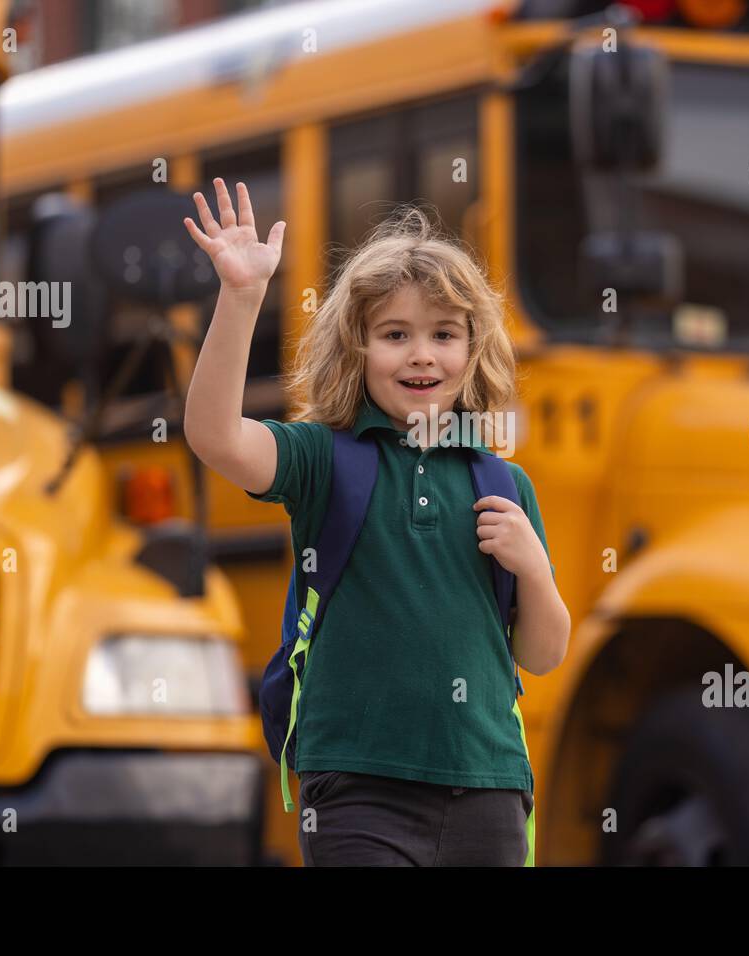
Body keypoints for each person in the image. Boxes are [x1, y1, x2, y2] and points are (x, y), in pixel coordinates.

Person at [182, 178, 571, 866]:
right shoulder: (322, 460)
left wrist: (534, 568)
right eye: (395, 335)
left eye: (444, 335)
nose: (422, 354)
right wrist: (241, 298)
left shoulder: (504, 484)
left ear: (472, 350)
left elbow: (540, 654)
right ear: (356, 349)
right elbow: (215, 435)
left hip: (489, 786)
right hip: (358, 787)